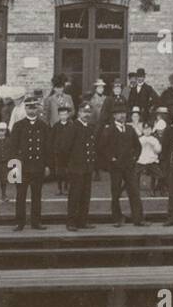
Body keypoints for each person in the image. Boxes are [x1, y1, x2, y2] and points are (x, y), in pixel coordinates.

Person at [55, 102, 98, 230]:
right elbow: (64, 148)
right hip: (76, 167)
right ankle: (71, 222)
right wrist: (68, 165)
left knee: (85, 195)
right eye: (84, 112)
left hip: (87, 167)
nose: (86, 115)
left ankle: (83, 221)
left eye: (89, 112)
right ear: (79, 113)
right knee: (75, 195)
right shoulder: (73, 127)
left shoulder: (90, 127)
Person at [11, 96, 50, 230]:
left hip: (38, 166)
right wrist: (13, 170)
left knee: (37, 195)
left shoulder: (44, 126)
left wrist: (47, 166)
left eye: (34, 107)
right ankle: (19, 222)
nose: (31, 110)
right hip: (22, 167)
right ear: (25, 108)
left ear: (38, 108)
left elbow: (47, 148)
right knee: (20, 195)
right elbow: (13, 148)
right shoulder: (18, 126)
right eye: (29, 107)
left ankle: (36, 222)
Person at [102, 106, 144, 227]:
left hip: (129, 166)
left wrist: (135, 158)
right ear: (114, 116)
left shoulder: (130, 129)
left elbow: (138, 146)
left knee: (134, 191)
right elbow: (103, 147)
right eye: (119, 113)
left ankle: (138, 218)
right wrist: (111, 158)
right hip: (115, 167)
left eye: (124, 113)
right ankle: (117, 219)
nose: (122, 116)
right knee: (116, 192)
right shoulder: (109, 130)